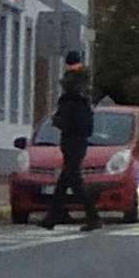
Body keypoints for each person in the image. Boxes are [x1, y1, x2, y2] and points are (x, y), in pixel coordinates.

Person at [43, 53, 102, 230]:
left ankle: (93, 217)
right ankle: (52, 217)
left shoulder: (73, 101)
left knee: (73, 180)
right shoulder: (82, 100)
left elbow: (69, 123)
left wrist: (57, 120)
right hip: (76, 141)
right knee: (64, 182)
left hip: (73, 142)